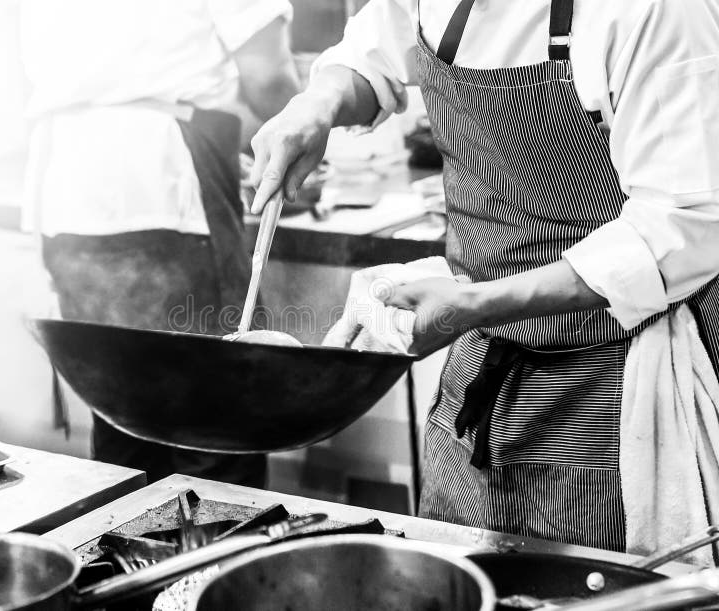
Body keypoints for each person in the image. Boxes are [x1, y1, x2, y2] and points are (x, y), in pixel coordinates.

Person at [250, 0, 719, 557]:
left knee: (577, 583)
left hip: (615, 376)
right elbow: (371, 52)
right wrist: (318, 103)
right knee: (456, 568)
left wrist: (473, 303)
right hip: (477, 368)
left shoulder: (654, 10)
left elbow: (684, 225)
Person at [20, 0, 300, 487]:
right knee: (214, 416)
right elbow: (269, 77)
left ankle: (132, 560)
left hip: (68, 185)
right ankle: (221, 560)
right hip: (163, 180)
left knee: (121, 413)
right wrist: (303, 137)